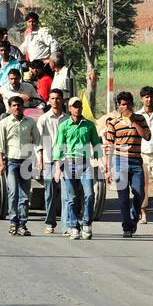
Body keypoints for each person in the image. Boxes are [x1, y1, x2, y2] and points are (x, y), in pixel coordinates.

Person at [103, 91, 151, 237]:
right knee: (123, 197)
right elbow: (109, 146)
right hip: (119, 161)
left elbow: (147, 136)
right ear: (119, 106)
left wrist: (133, 121)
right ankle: (126, 227)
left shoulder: (140, 119)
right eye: (123, 104)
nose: (126, 107)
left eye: (129, 104)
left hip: (136, 161)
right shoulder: (113, 123)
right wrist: (107, 168)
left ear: (132, 104)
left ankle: (134, 217)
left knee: (139, 193)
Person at [52, 97, 101, 240]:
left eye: (79, 106)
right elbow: (59, 147)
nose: (77, 109)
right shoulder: (64, 126)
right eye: (75, 106)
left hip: (85, 164)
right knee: (71, 198)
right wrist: (57, 169)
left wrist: (101, 163)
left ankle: (87, 224)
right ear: (70, 109)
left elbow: (96, 144)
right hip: (69, 163)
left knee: (89, 194)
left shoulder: (89, 125)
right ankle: (74, 226)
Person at [0, 95, 39, 236]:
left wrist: (39, 160)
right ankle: (13, 223)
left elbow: (38, 142)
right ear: (10, 107)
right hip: (12, 162)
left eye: (19, 105)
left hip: (26, 162)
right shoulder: (4, 123)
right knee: (13, 193)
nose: (16, 108)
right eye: (14, 105)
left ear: (23, 107)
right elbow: (0, 145)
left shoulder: (30, 122)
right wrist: (2, 163)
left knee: (24, 196)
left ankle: (22, 224)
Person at [36, 89, 72, 234]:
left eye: (58, 98)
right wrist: (40, 159)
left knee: (66, 193)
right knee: (49, 192)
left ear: (62, 100)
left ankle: (66, 225)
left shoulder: (68, 119)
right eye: (52, 98)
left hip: (66, 160)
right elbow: (38, 142)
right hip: (49, 160)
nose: (55, 101)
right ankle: (50, 223)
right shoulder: (43, 119)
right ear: (48, 101)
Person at [138, 86, 153, 217]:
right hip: (142, 154)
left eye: (151, 97)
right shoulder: (137, 116)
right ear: (142, 99)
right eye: (146, 97)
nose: (149, 99)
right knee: (143, 185)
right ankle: (143, 211)